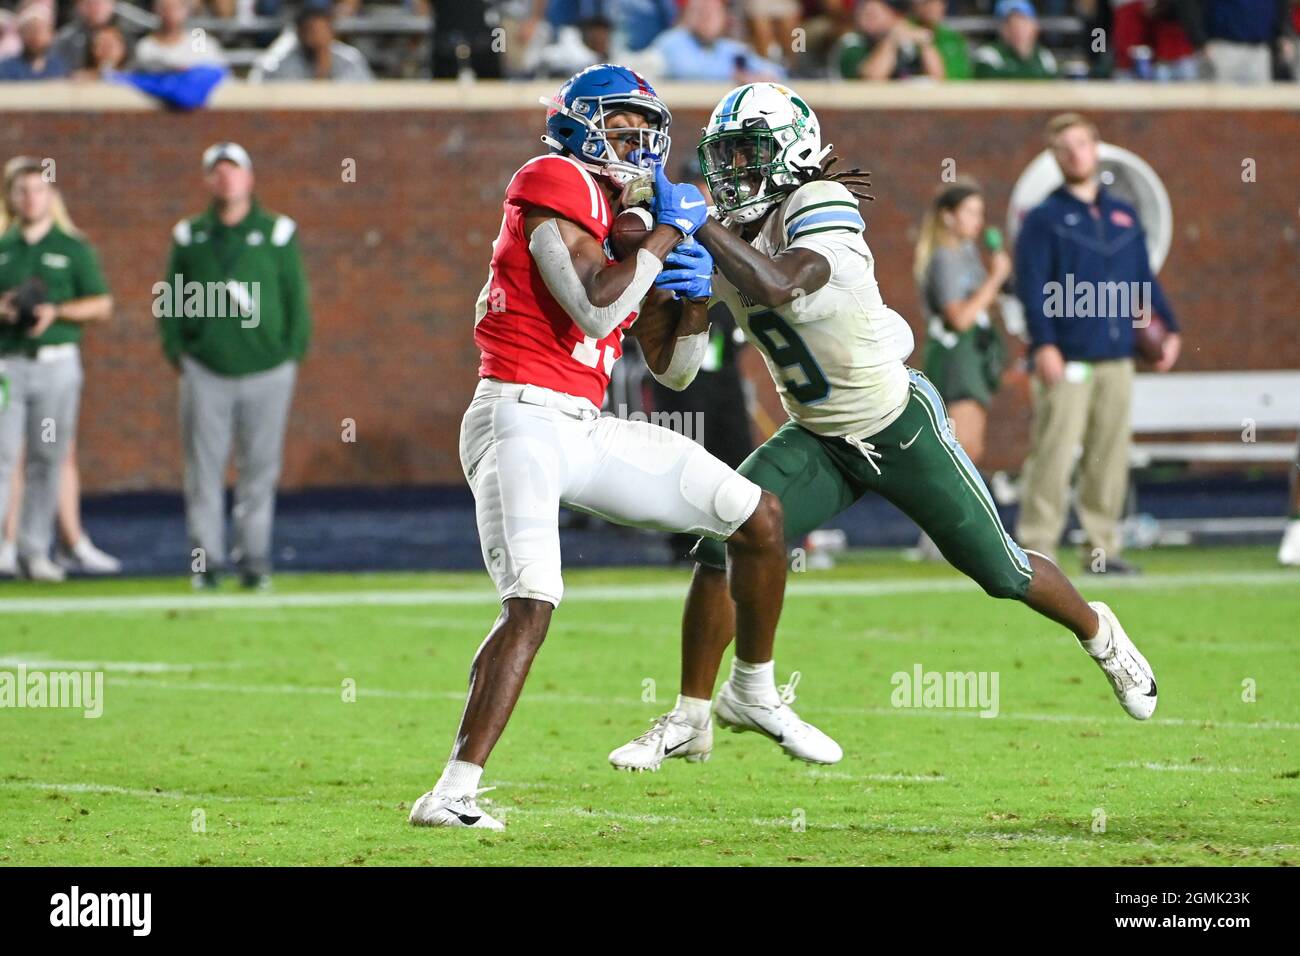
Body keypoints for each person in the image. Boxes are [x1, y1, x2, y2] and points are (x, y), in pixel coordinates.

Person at [609, 83, 1158, 773]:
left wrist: (699, 228)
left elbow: (779, 283)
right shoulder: (721, 230)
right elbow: (677, 364)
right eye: (726, 156)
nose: (733, 171)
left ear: (792, 153)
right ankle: (694, 717)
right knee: (724, 542)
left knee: (1003, 571)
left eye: (748, 153)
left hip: (897, 426)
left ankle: (1101, 633)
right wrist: (673, 283)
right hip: (817, 437)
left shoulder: (819, 202)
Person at [407, 64, 831, 832]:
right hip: (517, 414)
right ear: (578, 123)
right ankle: (451, 791)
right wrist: (667, 236)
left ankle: (748, 691)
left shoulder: (623, 216)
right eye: (621, 126)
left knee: (754, 513)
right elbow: (594, 310)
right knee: (533, 599)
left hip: (582, 425)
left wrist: (694, 295)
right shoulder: (553, 178)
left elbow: (675, 371)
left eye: (645, 130)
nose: (637, 142)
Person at [1014, 112, 1180, 576]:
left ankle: (1101, 550)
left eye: (1081, 144)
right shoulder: (1043, 219)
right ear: (1054, 156)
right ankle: (1037, 551)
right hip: (1066, 355)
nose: (1075, 154)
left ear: (1096, 148)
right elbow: (1032, 287)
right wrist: (1044, 344)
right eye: (1064, 148)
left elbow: (1144, 279)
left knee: (1109, 457)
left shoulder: (1123, 214)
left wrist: (1169, 328)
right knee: (1053, 453)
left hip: (1117, 356)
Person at [159, 142, 310, 591]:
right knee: (202, 472)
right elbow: (171, 298)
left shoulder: (278, 232)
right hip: (205, 370)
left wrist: (290, 353)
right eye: (217, 171)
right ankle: (205, 563)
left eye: (233, 170)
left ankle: (254, 562)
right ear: (208, 180)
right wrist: (180, 352)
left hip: (268, 369)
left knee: (259, 471)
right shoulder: (189, 235)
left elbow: (295, 298)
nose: (226, 178)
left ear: (249, 177)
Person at [0, 156, 113, 582]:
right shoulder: (3, 248)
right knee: (3, 455)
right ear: (11, 197)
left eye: (39, 189)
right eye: (22, 191)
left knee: (47, 455)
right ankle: (4, 546)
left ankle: (35, 550)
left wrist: (57, 311)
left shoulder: (72, 248)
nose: (31, 198)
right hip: (8, 367)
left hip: (55, 369)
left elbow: (101, 304)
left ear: (51, 195)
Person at [914, 179, 1011, 468]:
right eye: (969, 212)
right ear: (948, 216)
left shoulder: (968, 252)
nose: (978, 221)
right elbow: (959, 318)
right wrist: (996, 277)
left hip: (973, 357)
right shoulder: (945, 257)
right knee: (960, 449)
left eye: (980, 213)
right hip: (956, 358)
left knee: (973, 447)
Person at [0, 440, 123, 576]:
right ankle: (8, 543)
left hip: (48, 425)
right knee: (13, 453)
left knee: (52, 452)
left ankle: (67, 546)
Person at [649, 0, 786, 81]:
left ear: (724, 18)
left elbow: (777, 73)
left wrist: (762, 77)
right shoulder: (671, 41)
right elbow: (685, 70)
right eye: (701, 12)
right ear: (688, 15)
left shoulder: (731, 49)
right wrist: (735, 76)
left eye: (714, 13)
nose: (707, 18)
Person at [250, 2, 373, 82]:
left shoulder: (350, 59)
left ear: (332, 32)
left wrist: (324, 61)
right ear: (300, 33)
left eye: (323, 31)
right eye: (311, 31)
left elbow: (364, 98)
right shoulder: (279, 62)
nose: (318, 37)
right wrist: (321, 68)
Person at [833, 0, 946, 81]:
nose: (865, 16)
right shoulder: (852, 43)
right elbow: (872, 80)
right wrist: (891, 40)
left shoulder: (906, 45)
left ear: (895, 17)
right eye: (863, 11)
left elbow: (938, 77)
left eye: (873, 15)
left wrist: (925, 43)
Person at [973, 0, 1059, 79]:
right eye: (1011, 24)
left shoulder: (1045, 58)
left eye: (1023, 22)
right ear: (1002, 29)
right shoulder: (988, 56)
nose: (1018, 30)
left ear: (1035, 27)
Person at [133, 0, 228, 73]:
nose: (170, 13)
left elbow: (218, 72)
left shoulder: (200, 41)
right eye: (165, 8)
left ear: (186, 11)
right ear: (156, 11)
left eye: (176, 8)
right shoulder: (145, 46)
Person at [0, 3, 70, 80]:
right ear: (21, 34)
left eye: (41, 31)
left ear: (51, 34)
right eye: (30, 30)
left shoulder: (58, 66)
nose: (36, 36)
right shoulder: (6, 67)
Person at [911, 0, 971, 79]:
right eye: (929, 3)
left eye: (940, 3)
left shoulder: (951, 36)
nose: (934, 8)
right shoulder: (906, 28)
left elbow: (963, 75)